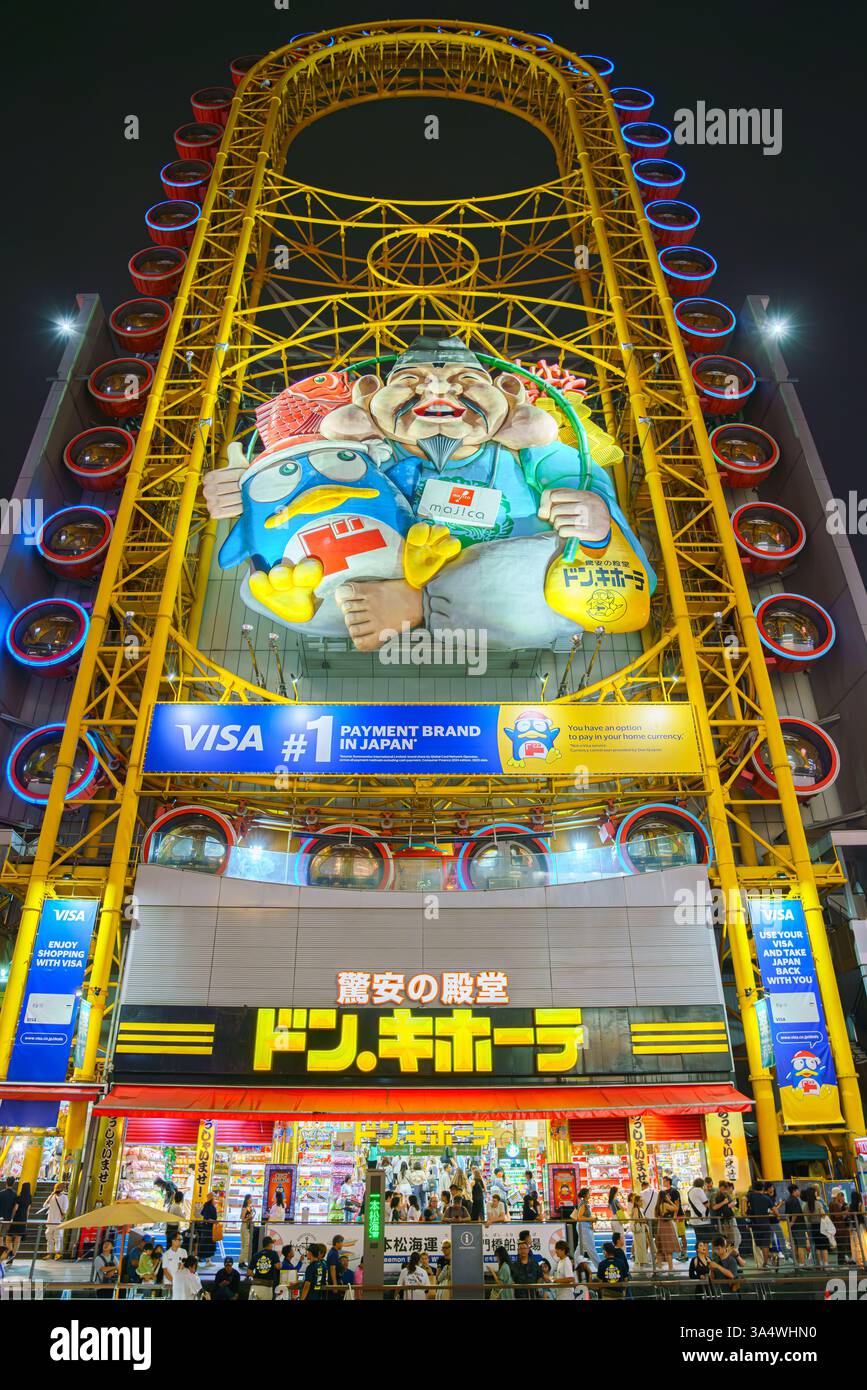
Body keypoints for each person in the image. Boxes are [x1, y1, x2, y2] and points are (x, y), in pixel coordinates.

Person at [746, 1179, 775, 1267]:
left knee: (757, 1245)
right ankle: (765, 1262)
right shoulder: (766, 1198)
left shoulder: (750, 1196)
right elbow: (775, 1211)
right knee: (765, 1245)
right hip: (766, 1224)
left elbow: (743, 1199)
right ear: (762, 1188)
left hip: (755, 1224)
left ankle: (761, 1263)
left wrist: (743, 1212)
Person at [37, 1182, 68, 1260]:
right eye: (56, 1188)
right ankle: (49, 1253)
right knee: (49, 1237)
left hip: (58, 1221)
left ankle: (58, 1253)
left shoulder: (64, 1197)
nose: (57, 1189)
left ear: (62, 1189)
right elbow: (45, 1206)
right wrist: (51, 1196)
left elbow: (64, 1210)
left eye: (59, 1188)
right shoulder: (52, 1196)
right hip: (50, 1221)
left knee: (58, 1237)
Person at [803, 1186, 831, 1268]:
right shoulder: (818, 1203)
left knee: (818, 1246)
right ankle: (826, 1264)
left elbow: (807, 1217)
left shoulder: (806, 1205)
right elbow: (823, 1214)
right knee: (824, 1246)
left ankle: (820, 1264)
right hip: (821, 1225)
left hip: (813, 1226)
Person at [655, 1184, 679, 1275]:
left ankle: (660, 1267)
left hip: (660, 1226)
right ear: (664, 1196)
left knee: (660, 1248)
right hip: (667, 1226)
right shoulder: (665, 1204)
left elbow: (656, 1216)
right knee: (668, 1248)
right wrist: (670, 1201)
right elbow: (676, 1208)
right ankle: (670, 1268)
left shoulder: (657, 1206)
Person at [662, 1175, 688, 1259]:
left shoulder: (674, 1191)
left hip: (678, 1215)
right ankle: (680, 1252)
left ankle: (684, 1253)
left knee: (682, 1234)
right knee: (674, 1235)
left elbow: (677, 1203)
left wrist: (675, 1215)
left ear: (668, 1181)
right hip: (670, 1216)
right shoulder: (664, 1192)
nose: (663, 1182)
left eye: (664, 1181)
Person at [248, 1235, 281, 1300]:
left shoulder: (255, 1255)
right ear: (270, 1244)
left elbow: (249, 1272)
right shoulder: (274, 1254)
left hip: (255, 1286)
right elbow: (278, 1267)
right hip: (267, 1287)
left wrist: (257, 1277)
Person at [5, 1181, 31, 1262]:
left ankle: (10, 1252)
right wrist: (26, 1221)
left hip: (17, 1219)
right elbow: (28, 1211)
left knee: (8, 1238)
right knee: (18, 1239)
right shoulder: (29, 1198)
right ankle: (13, 1255)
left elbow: (15, 1208)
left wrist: (12, 1217)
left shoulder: (19, 1197)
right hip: (23, 1220)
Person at [784, 1183, 808, 1266]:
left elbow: (788, 1213)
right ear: (794, 1191)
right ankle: (802, 1263)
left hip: (793, 1227)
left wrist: (790, 1223)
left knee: (796, 1245)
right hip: (798, 1225)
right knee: (801, 1244)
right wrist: (793, 1222)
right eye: (798, 1190)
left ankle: (796, 1263)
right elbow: (795, 1213)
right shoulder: (794, 1200)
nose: (799, 1192)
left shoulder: (788, 1200)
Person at [573, 1187, 596, 1265]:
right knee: (591, 1247)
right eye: (588, 1193)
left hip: (583, 1226)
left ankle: (576, 1264)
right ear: (586, 1195)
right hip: (583, 1227)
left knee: (580, 1247)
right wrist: (591, 1219)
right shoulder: (584, 1204)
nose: (590, 1194)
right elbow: (579, 1217)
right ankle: (599, 1266)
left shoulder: (584, 1203)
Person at [629, 1191, 651, 1268]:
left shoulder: (638, 1209)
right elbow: (636, 1219)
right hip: (639, 1230)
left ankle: (642, 1262)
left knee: (641, 1245)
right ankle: (641, 1262)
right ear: (637, 1202)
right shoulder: (636, 1209)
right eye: (640, 1200)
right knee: (640, 1246)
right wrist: (644, 1220)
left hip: (640, 1230)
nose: (642, 1202)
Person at [687, 1176, 711, 1245]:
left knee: (699, 1241)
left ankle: (701, 1255)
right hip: (703, 1219)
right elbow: (706, 1203)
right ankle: (706, 1255)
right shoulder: (699, 1190)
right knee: (705, 1242)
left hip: (694, 1218)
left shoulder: (690, 1191)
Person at [197, 1191, 219, 1265]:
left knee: (209, 1244)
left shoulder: (210, 1206)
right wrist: (214, 1221)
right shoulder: (207, 1206)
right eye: (214, 1197)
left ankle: (208, 1260)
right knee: (207, 1243)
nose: (215, 1199)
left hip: (210, 1228)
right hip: (208, 1228)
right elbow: (206, 1218)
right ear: (211, 1199)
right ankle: (206, 1260)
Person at [0, 1178, 17, 1247]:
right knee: (2, 1236)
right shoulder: (14, 1195)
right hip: (8, 1218)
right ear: (13, 1184)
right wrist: (12, 1217)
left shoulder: (1, 1193)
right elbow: (15, 1208)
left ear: (6, 1183)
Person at [239, 1194, 254, 1269]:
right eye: (251, 1198)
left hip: (248, 1227)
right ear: (248, 1199)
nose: (252, 1199)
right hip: (245, 1226)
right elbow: (242, 1218)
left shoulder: (250, 1207)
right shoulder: (245, 1208)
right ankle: (241, 1261)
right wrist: (249, 1218)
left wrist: (250, 1218)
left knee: (246, 1244)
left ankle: (242, 1261)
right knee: (246, 1244)